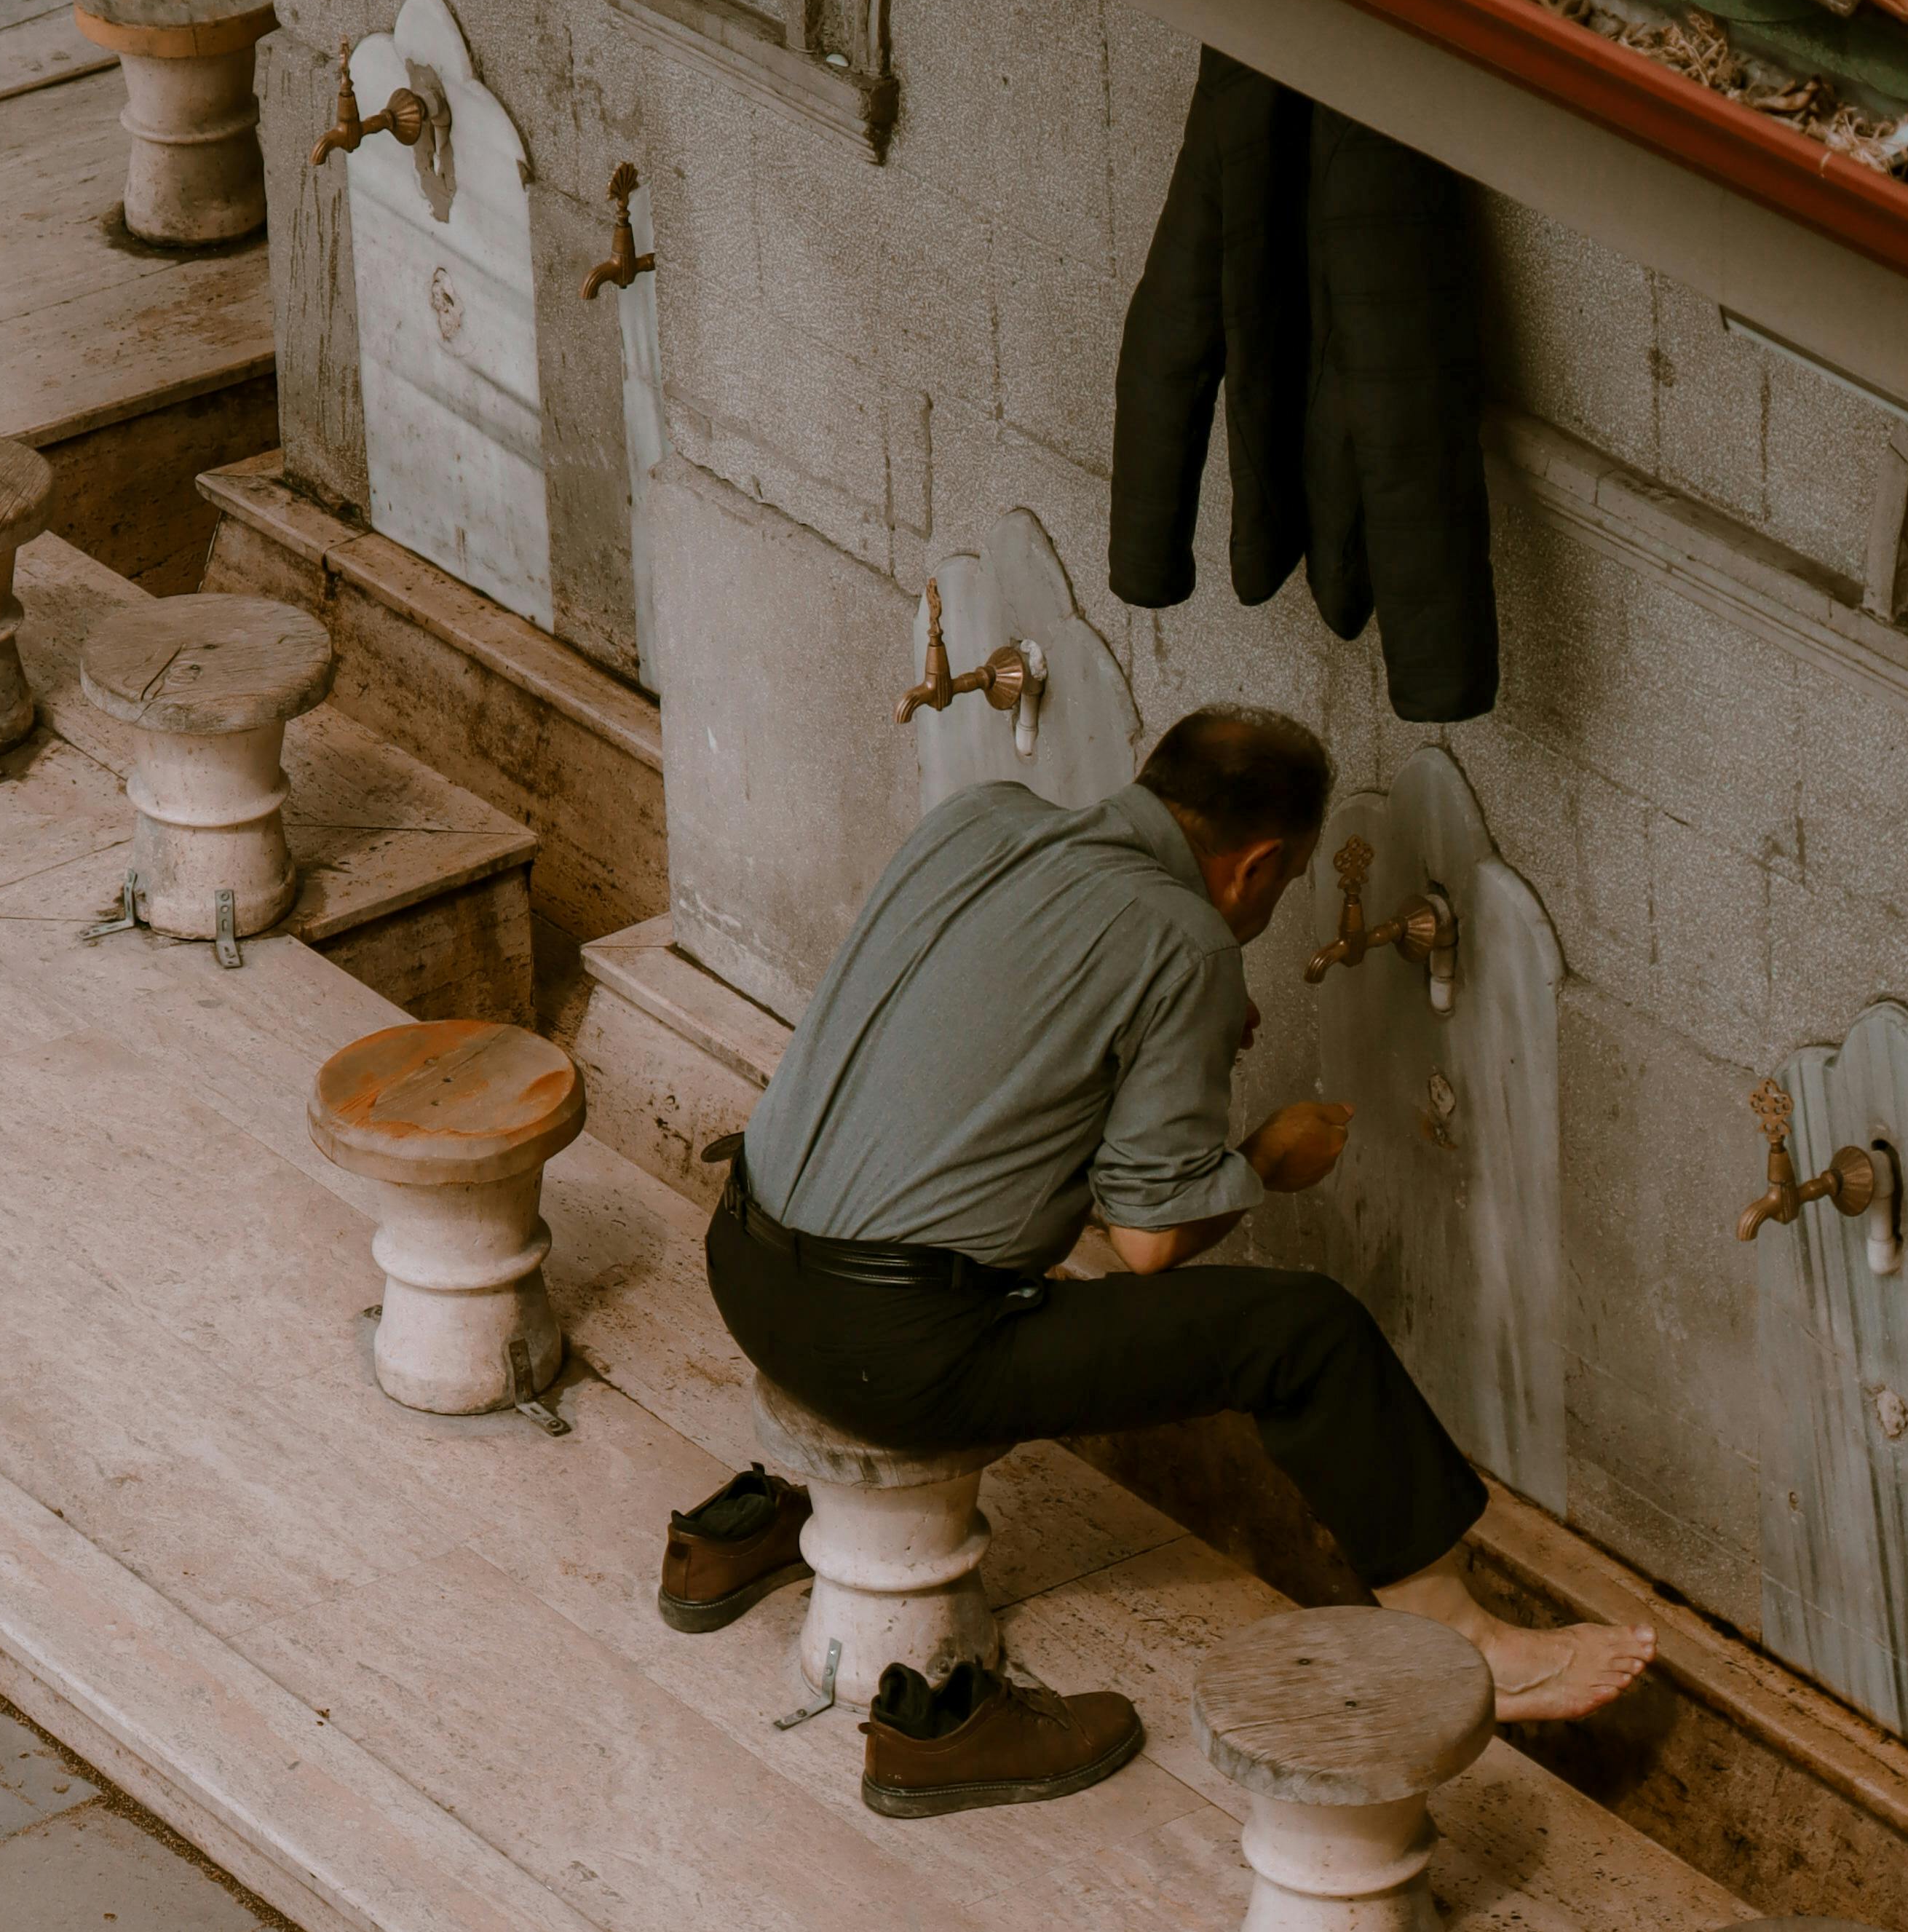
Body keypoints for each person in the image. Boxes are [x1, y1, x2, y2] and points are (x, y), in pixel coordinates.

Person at [674, 705, 1652, 1814]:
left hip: (742, 1260)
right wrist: (1265, 1159)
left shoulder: (979, 819)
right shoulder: (1183, 941)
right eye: (1285, 894)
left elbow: (995, 1063)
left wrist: (1164, 1050)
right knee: (1305, 1335)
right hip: (897, 1353)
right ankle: (1467, 1636)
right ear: (1262, 865)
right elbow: (1150, 1243)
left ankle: (781, 1529)